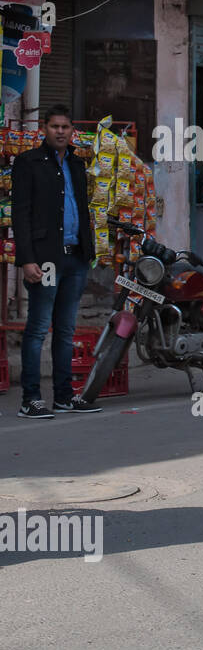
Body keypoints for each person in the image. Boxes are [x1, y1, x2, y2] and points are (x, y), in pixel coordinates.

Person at [11, 104, 101, 418]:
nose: (60, 132)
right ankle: (30, 399)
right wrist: (26, 260)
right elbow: (19, 214)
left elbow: (82, 208)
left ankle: (64, 396)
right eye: (54, 126)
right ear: (44, 129)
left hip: (75, 258)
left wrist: (89, 254)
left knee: (65, 330)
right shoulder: (28, 162)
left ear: (72, 131)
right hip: (45, 259)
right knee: (37, 329)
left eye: (65, 127)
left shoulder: (77, 164)